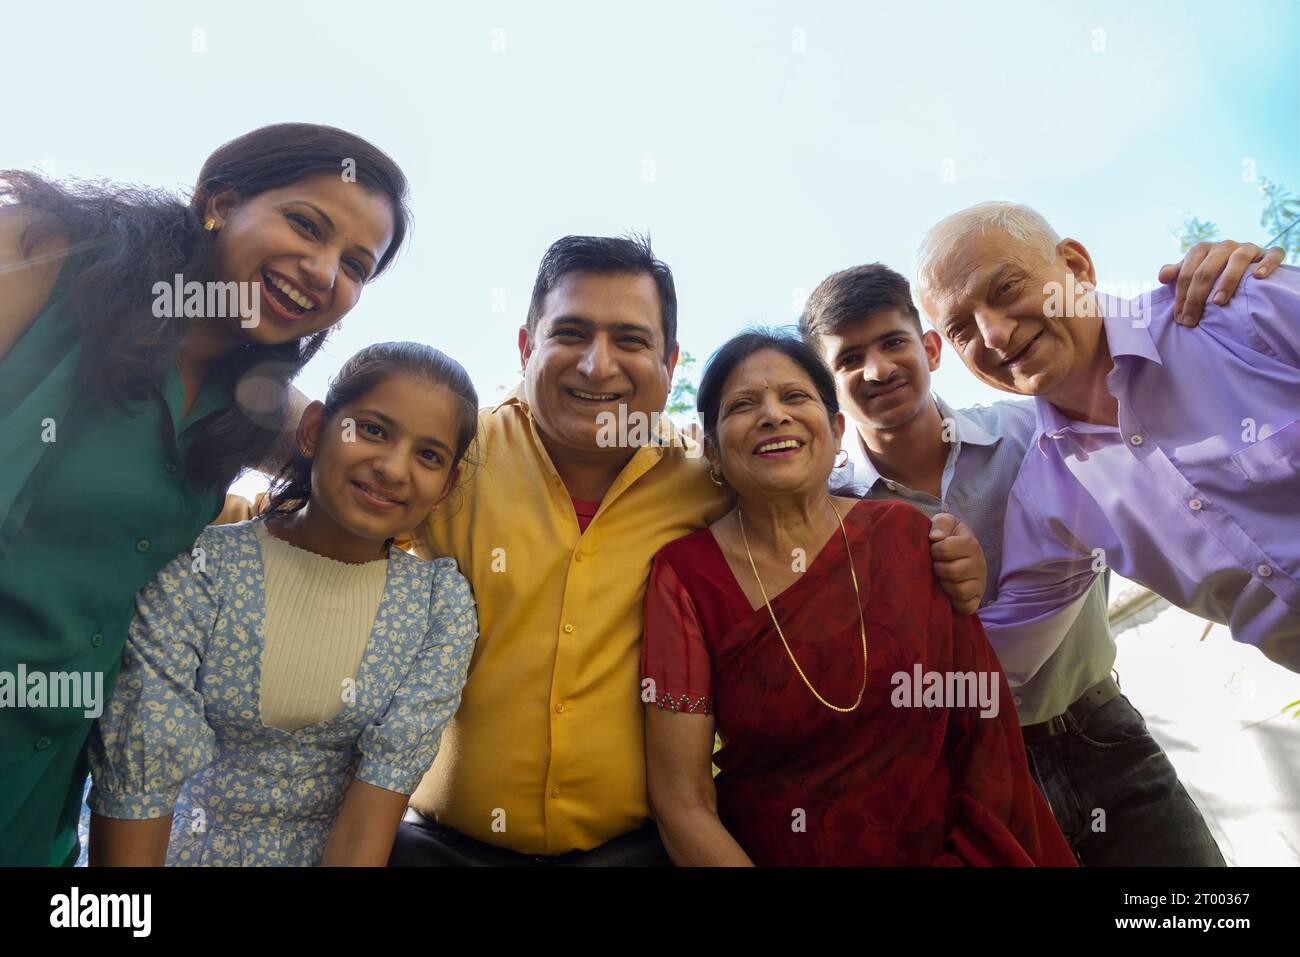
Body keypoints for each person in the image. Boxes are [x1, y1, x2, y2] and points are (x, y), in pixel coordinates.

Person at [390, 234, 988, 865]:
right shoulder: (452, 452)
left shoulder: (708, 476)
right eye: (571, 333)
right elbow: (338, 488)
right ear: (524, 345)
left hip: (641, 853)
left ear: (669, 362)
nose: (598, 365)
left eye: (630, 339)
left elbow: (814, 505)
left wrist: (946, 544)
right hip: (440, 848)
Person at [0, 123, 410, 866]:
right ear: (220, 201)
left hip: (37, 782)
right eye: (306, 225)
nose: (321, 271)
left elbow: (385, 464)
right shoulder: (43, 254)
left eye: (355, 264)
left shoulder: (257, 407)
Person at [798, 244, 1287, 863]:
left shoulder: (1041, 428)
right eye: (849, 359)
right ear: (826, 387)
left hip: (1099, 728)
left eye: (892, 342)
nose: (877, 369)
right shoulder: (828, 515)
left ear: (929, 349)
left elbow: (1136, 375)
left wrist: (1225, 268)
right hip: (959, 773)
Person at [642, 330, 1076, 866]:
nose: (774, 416)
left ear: (837, 428)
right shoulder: (686, 577)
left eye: (795, 397)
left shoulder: (906, 537)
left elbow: (982, 733)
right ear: (711, 451)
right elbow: (682, 802)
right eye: (742, 405)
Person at [87, 343, 479, 866]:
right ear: (315, 429)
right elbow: (137, 787)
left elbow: (371, 819)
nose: (392, 467)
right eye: (372, 430)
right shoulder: (200, 569)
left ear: (447, 484)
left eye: (428, 455)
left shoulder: (438, 608)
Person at [912, 200, 1300, 684]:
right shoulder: (1048, 499)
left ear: (1077, 266)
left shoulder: (1240, 309)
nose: (994, 334)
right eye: (962, 329)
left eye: (1007, 288)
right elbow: (990, 667)